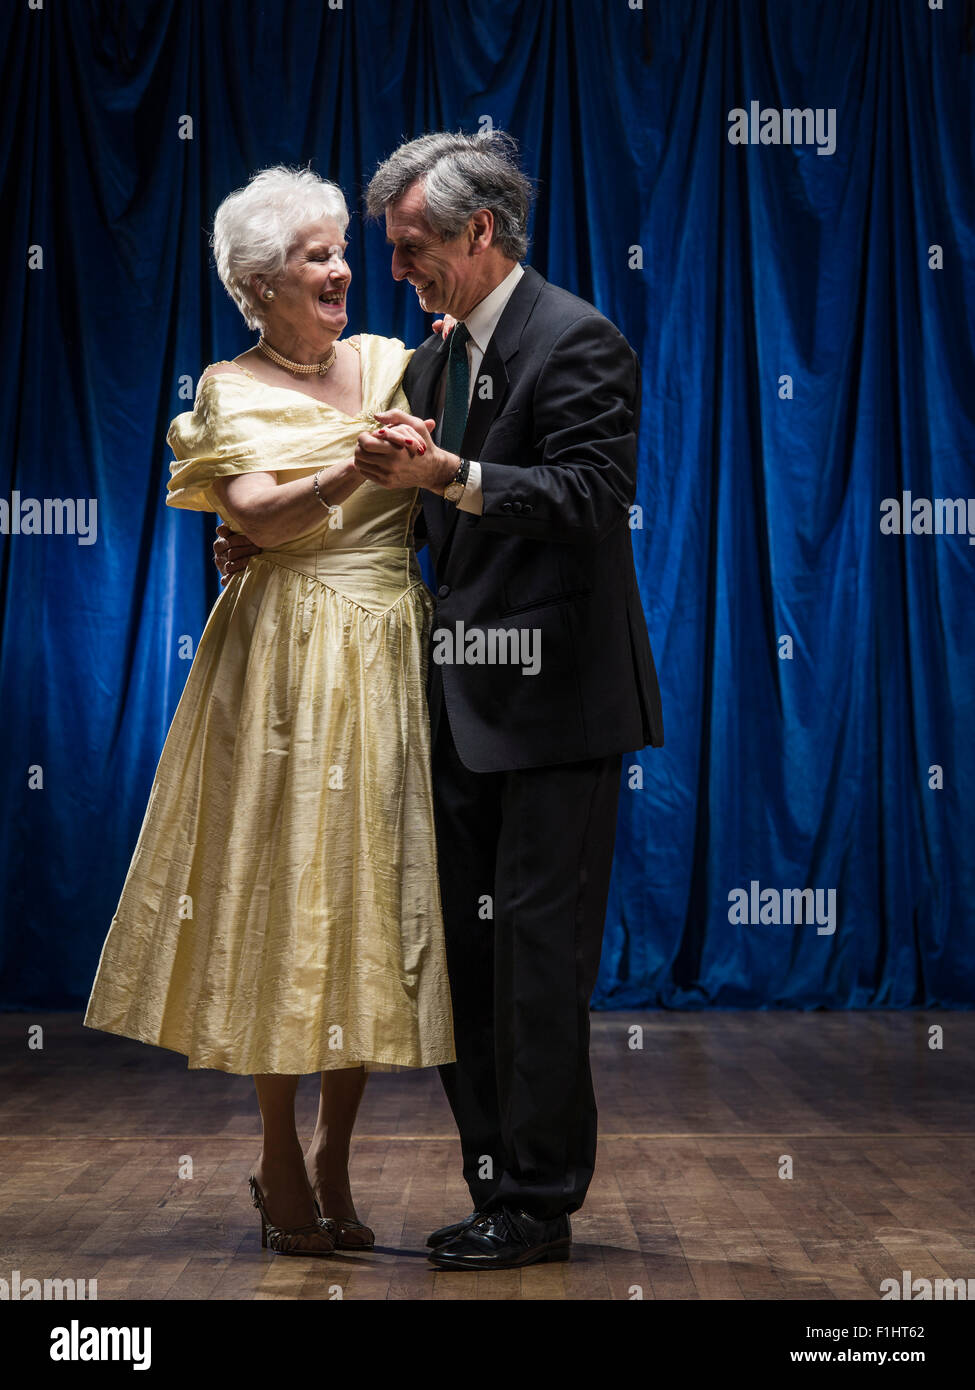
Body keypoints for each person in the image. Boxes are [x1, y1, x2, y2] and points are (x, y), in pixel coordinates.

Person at [220, 131, 665, 1271]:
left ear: (478, 233)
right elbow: (368, 494)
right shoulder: (431, 362)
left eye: (410, 245)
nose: (394, 267)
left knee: (537, 966)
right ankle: (492, 1189)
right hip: (457, 710)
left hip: (558, 712)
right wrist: (251, 541)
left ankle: (539, 1201)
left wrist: (454, 477)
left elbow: (588, 495)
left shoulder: (579, 339)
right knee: (467, 970)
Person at [84, 165, 455, 1258]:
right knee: (284, 902)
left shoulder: (395, 361)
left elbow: (451, 470)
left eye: (343, 248)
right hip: (282, 669)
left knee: (364, 911)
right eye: (315, 256)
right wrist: (354, 468)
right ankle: (280, 1147)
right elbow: (254, 513)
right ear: (260, 283)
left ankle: (339, 1153)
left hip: (385, 654)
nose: (343, 269)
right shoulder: (227, 387)